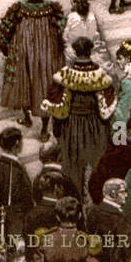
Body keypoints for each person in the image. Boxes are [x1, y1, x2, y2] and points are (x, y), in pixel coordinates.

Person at [42, 36, 116, 196]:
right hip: (97, 128)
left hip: (72, 129)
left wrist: (57, 131)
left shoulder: (63, 76)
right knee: (98, 168)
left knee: (73, 169)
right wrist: (116, 139)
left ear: (75, 52)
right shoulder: (102, 76)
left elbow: (54, 104)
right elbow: (112, 109)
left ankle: (74, 204)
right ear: (91, 52)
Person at [0, 0, 66, 136]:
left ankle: (27, 118)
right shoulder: (52, 10)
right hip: (47, 56)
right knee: (45, 88)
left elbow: (1, 33)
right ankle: (44, 130)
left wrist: (6, 50)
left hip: (23, 54)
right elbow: (63, 31)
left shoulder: (18, 9)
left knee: (24, 86)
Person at [0, 126, 33, 238]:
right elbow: (14, 199)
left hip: (4, 217)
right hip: (15, 223)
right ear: (17, 143)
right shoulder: (12, 169)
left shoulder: (0, 164)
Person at [86, 178, 131, 262]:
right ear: (113, 194)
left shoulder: (93, 212)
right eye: (123, 192)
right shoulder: (118, 219)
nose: (126, 195)